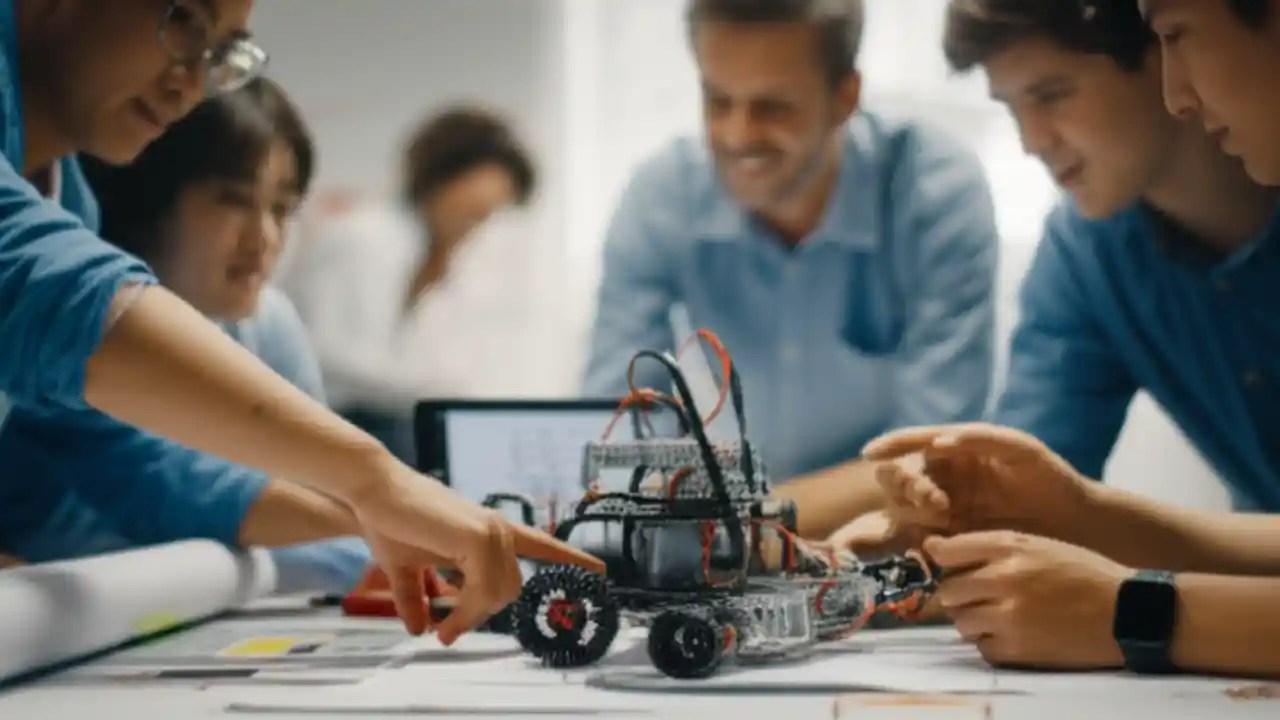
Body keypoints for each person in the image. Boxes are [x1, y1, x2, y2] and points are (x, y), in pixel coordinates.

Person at [0, 0, 599, 642]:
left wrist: (367, 510)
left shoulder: (70, 200)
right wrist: (373, 483)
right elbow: (54, 295)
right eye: (185, 24)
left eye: (221, 52)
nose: (193, 81)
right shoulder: (72, 248)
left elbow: (126, 457)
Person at [844, 0, 1280, 677]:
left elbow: (1109, 599)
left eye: (1052, 95)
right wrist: (1049, 515)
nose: (1031, 140)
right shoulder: (1087, 251)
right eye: (1013, 108)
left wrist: (1132, 609)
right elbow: (1030, 514)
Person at [581, 0, 998, 539]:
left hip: (878, 553)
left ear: (845, 96)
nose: (737, 134)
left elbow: (932, 459)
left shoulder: (935, 193)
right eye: (717, 100)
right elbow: (618, 434)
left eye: (772, 107)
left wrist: (728, 525)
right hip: (716, 554)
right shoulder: (661, 197)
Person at [0, 77, 373, 595]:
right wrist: (374, 508)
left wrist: (382, 515)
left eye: (282, 209)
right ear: (150, 197)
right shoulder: (72, 322)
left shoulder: (264, 322)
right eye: (232, 200)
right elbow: (161, 485)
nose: (263, 237)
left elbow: (320, 497)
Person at [282, 108, 536, 464]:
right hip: (333, 416)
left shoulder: (424, 251)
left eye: (488, 216)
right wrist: (436, 390)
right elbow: (336, 357)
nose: (474, 228)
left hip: (368, 416)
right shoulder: (368, 239)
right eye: (473, 211)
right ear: (437, 183)